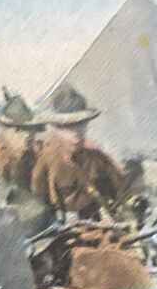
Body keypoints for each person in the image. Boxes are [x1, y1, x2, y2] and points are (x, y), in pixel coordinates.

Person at [29, 86, 131, 223]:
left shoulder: (96, 157)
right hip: (58, 231)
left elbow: (122, 191)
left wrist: (111, 215)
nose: (76, 133)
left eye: (81, 124)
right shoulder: (44, 160)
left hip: (97, 228)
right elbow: (35, 207)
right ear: (56, 127)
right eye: (68, 127)